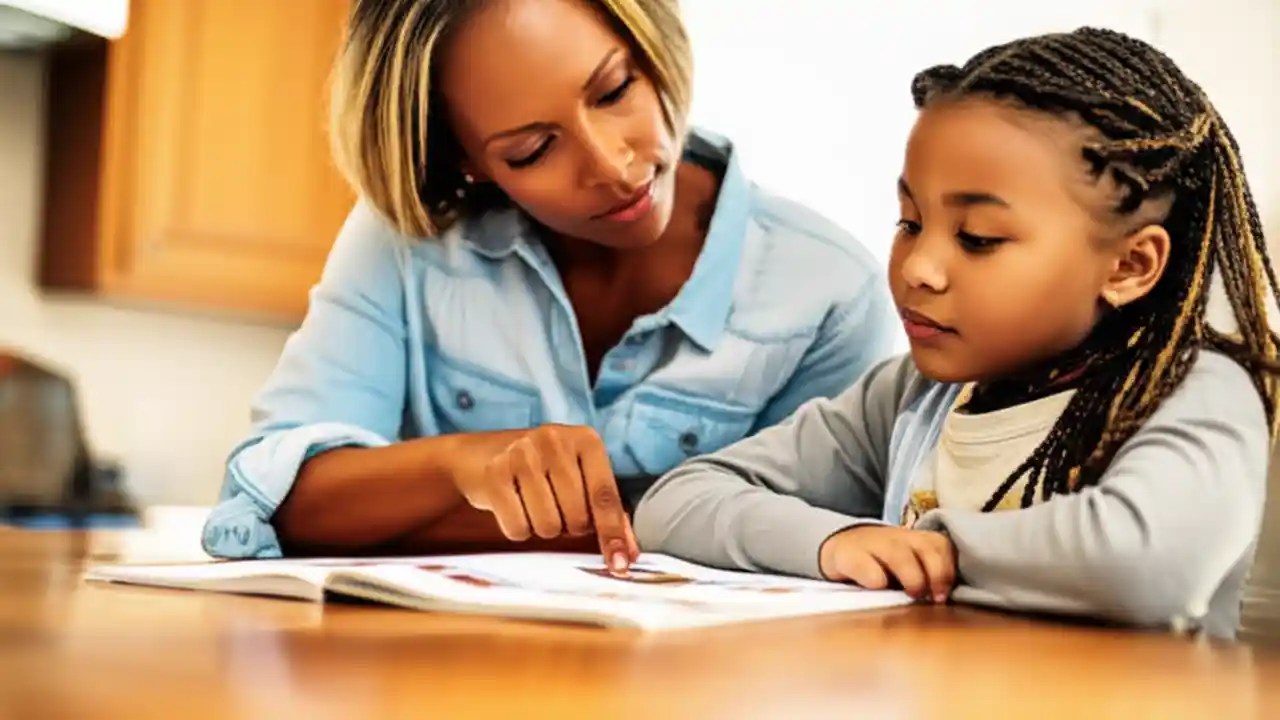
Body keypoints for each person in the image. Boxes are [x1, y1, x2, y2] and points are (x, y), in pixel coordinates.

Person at [200, 0, 897, 570]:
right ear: (464, 160)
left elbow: (816, 546)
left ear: (649, 43)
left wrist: (402, 510)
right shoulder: (404, 238)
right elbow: (276, 498)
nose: (615, 166)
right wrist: (462, 463)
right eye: (532, 150)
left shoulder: (830, 291)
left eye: (616, 89)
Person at [635, 27, 1278, 638]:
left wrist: (934, 547)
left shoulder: (1194, 389)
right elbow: (679, 501)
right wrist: (832, 543)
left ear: (1129, 265)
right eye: (910, 222)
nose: (918, 268)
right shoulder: (915, 396)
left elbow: (1150, 564)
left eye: (978, 239)